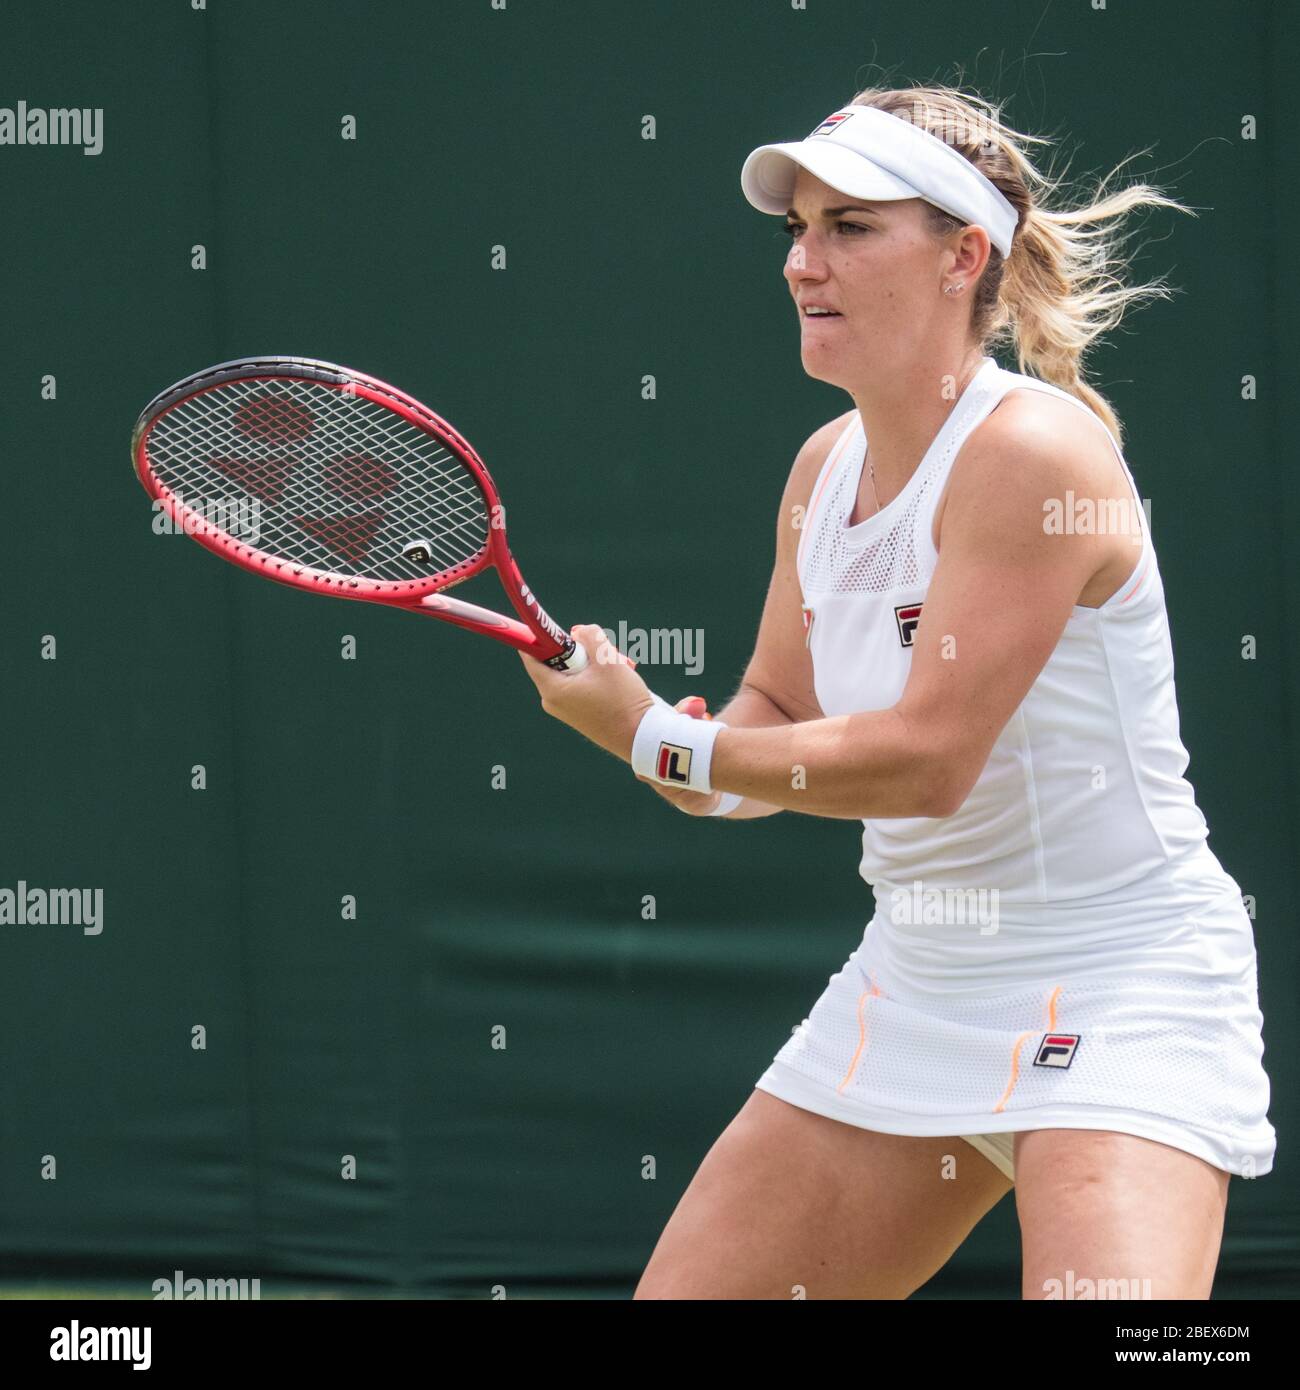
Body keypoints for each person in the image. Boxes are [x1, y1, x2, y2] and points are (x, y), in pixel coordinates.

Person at [519, 84, 1276, 1300]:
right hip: (918, 978)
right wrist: (678, 752)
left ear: (961, 257)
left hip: (1119, 978)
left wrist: (661, 746)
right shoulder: (824, 470)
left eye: (850, 228)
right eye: (795, 230)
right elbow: (775, 708)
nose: (801, 263)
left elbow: (926, 762)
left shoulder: (1034, 453)